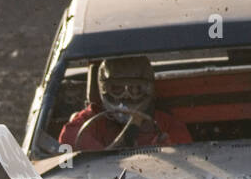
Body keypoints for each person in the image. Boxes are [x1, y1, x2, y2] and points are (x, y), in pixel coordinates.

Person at [58, 55, 191, 152]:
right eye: (117, 90)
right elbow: (69, 142)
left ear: (148, 90)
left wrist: (164, 151)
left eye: (135, 89)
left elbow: (187, 156)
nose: (126, 97)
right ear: (103, 89)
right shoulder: (86, 122)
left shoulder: (167, 124)